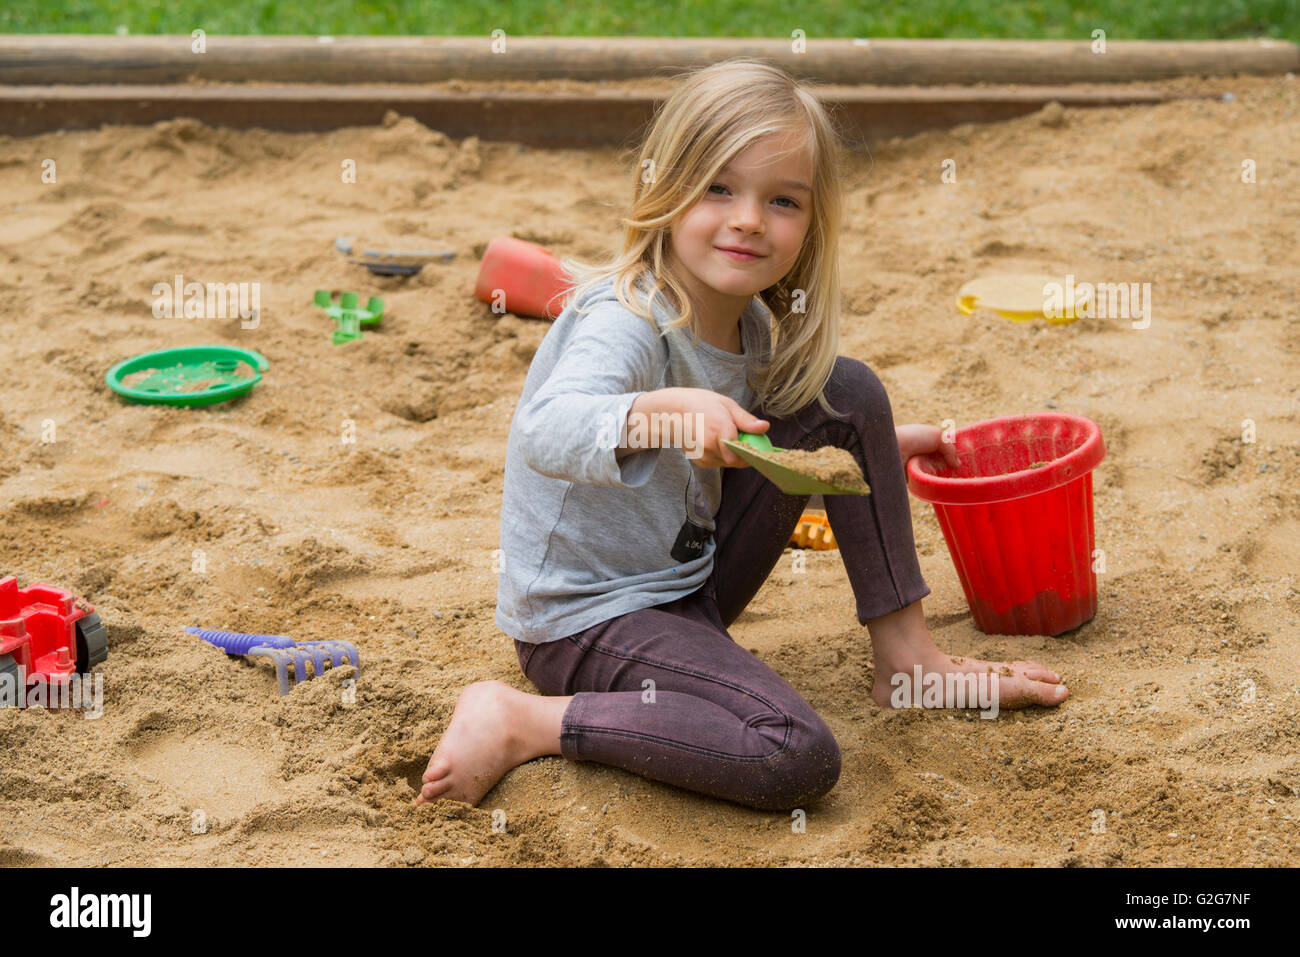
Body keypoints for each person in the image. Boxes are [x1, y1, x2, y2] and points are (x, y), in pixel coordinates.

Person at [417, 58, 1068, 813]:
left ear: (810, 223)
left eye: (782, 200)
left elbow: (751, 449)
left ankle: (907, 661)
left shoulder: (751, 322)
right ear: (666, 189)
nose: (750, 218)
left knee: (848, 394)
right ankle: (525, 718)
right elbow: (544, 429)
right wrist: (663, 412)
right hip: (586, 621)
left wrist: (867, 450)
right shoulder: (626, 322)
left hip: (687, 581)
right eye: (719, 187)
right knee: (791, 751)